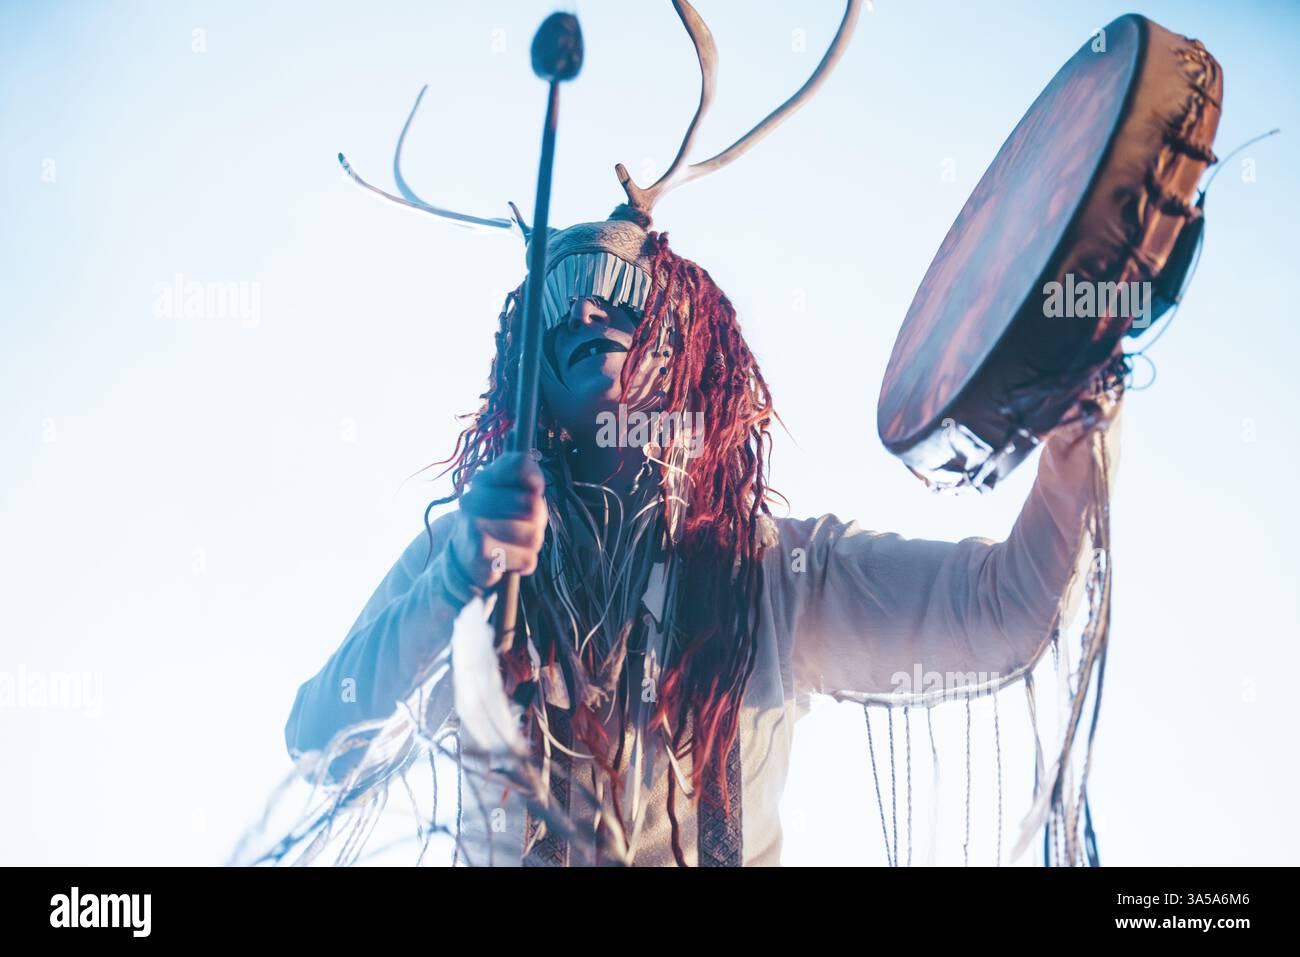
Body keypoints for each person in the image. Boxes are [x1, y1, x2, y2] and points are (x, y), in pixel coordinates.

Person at [282, 211, 1123, 866]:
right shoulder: (466, 557)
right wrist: (454, 586)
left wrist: (1080, 419)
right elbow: (322, 739)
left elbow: (1007, 610)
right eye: (562, 300)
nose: (582, 308)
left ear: (688, 336)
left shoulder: (773, 574)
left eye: (616, 290)